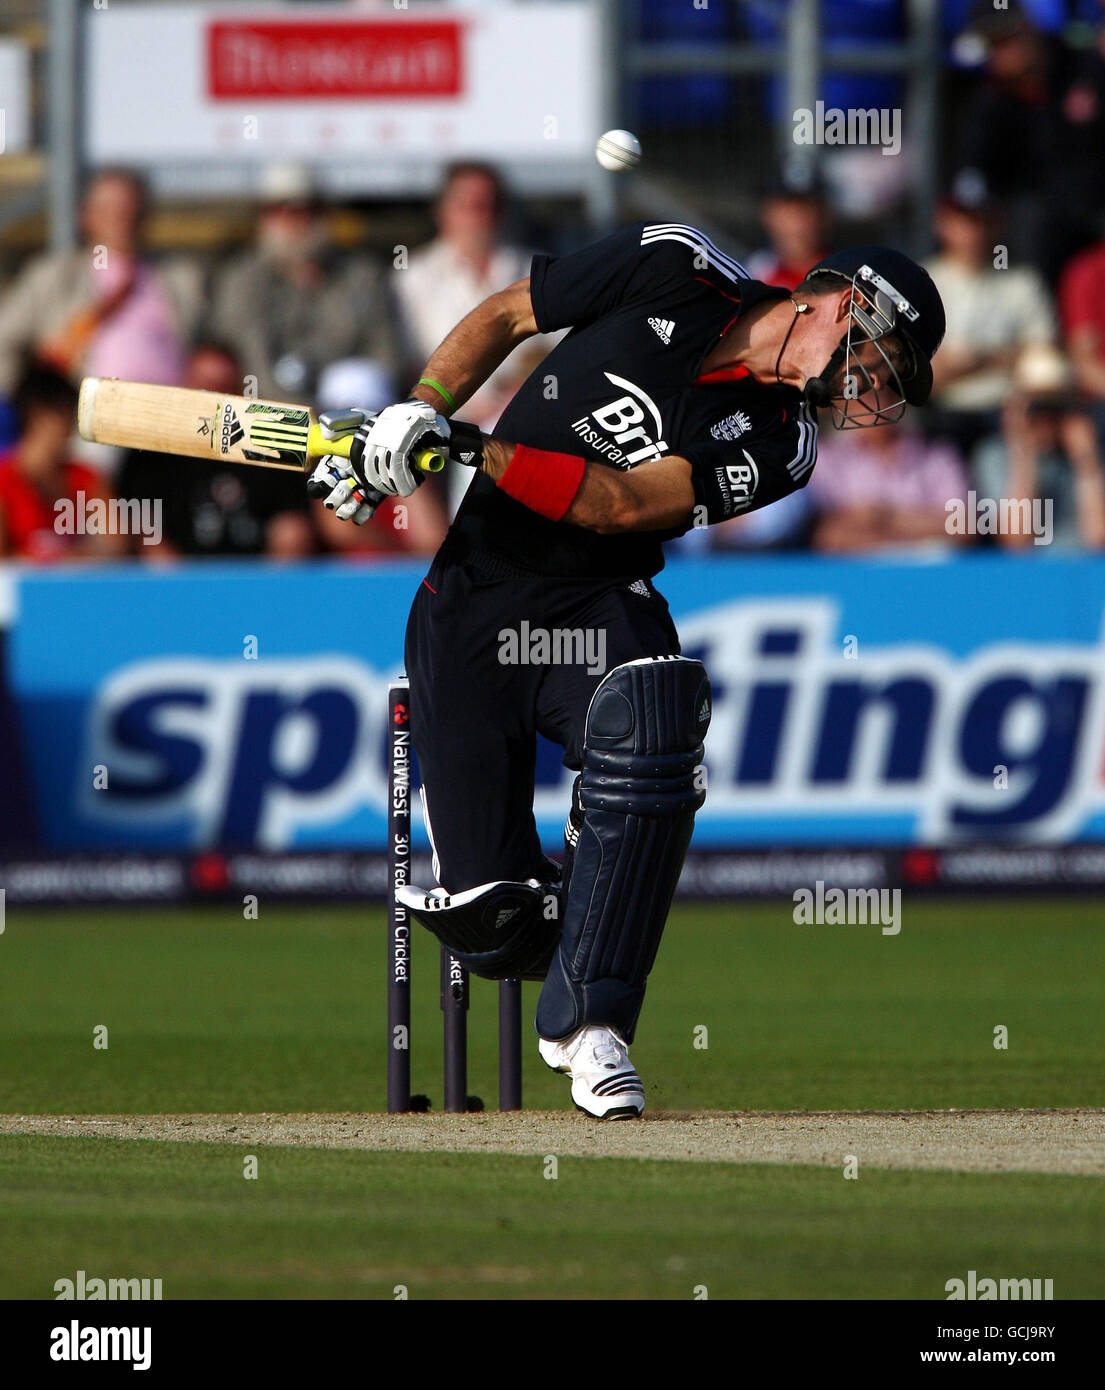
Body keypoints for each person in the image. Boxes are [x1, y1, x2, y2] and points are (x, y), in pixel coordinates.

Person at [308, 223, 945, 1119]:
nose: (869, 388)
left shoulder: (781, 444)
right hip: (472, 604)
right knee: (492, 921)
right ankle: (569, 894)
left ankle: (590, 1029)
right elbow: (506, 314)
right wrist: (415, 413)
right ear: (839, 302)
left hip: (592, 602)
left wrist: (464, 444)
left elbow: (626, 505)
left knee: (654, 708)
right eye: (878, 359)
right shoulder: (675, 265)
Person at [209, 163, 403, 403]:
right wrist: (297, 415)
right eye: (283, 210)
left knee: (355, 380)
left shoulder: (362, 275)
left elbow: (385, 358)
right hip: (264, 412)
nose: (296, 222)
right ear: (265, 216)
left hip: (347, 416)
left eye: (308, 210)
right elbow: (249, 359)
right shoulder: (241, 280)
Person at [0, 169, 201, 398]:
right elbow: (4, 340)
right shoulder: (55, 278)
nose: (122, 218)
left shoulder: (179, 277)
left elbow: (209, 353)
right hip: (82, 424)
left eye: (130, 208)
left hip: (168, 418)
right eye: (110, 208)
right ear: (85, 217)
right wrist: (29, 406)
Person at [113, 343, 314, 560]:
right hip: (178, 582)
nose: (215, 399)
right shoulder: (151, 453)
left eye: (224, 388)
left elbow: (291, 526)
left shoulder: (270, 448)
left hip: (257, 579)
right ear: (184, 387)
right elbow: (140, 526)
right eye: (205, 388)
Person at [925, 190, 1055, 456]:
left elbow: (1046, 366)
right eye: (964, 220)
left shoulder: (1022, 282)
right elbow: (912, 377)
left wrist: (973, 361)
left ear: (999, 223)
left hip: (1009, 415)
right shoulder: (920, 281)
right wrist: (1007, 356)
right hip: (936, 418)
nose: (974, 231)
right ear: (942, 223)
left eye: (983, 220)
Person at [973, 344, 1105, 550]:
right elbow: (1016, 539)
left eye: (1054, 407)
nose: (1045, 418)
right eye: (1036, 407)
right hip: (1032, 577)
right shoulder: (995, 456)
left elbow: (1098, 537)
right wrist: (1022, 452)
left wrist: (1086, 463)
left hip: (1082, 574)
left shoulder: (1089, 454)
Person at [0, 362, 117, 561]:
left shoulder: (85, 477)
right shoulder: (4, 481)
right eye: (66, 413)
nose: (73, 426)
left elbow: (116, 543)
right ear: (39, 415)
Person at [809, 420, 970, 553]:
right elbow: (828, 537)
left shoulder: (938, 454)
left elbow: (963, 527)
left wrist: (885, 517)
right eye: (860, 400)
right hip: (856, 576)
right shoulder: (826, 456)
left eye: (881, 397)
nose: (873, 409)